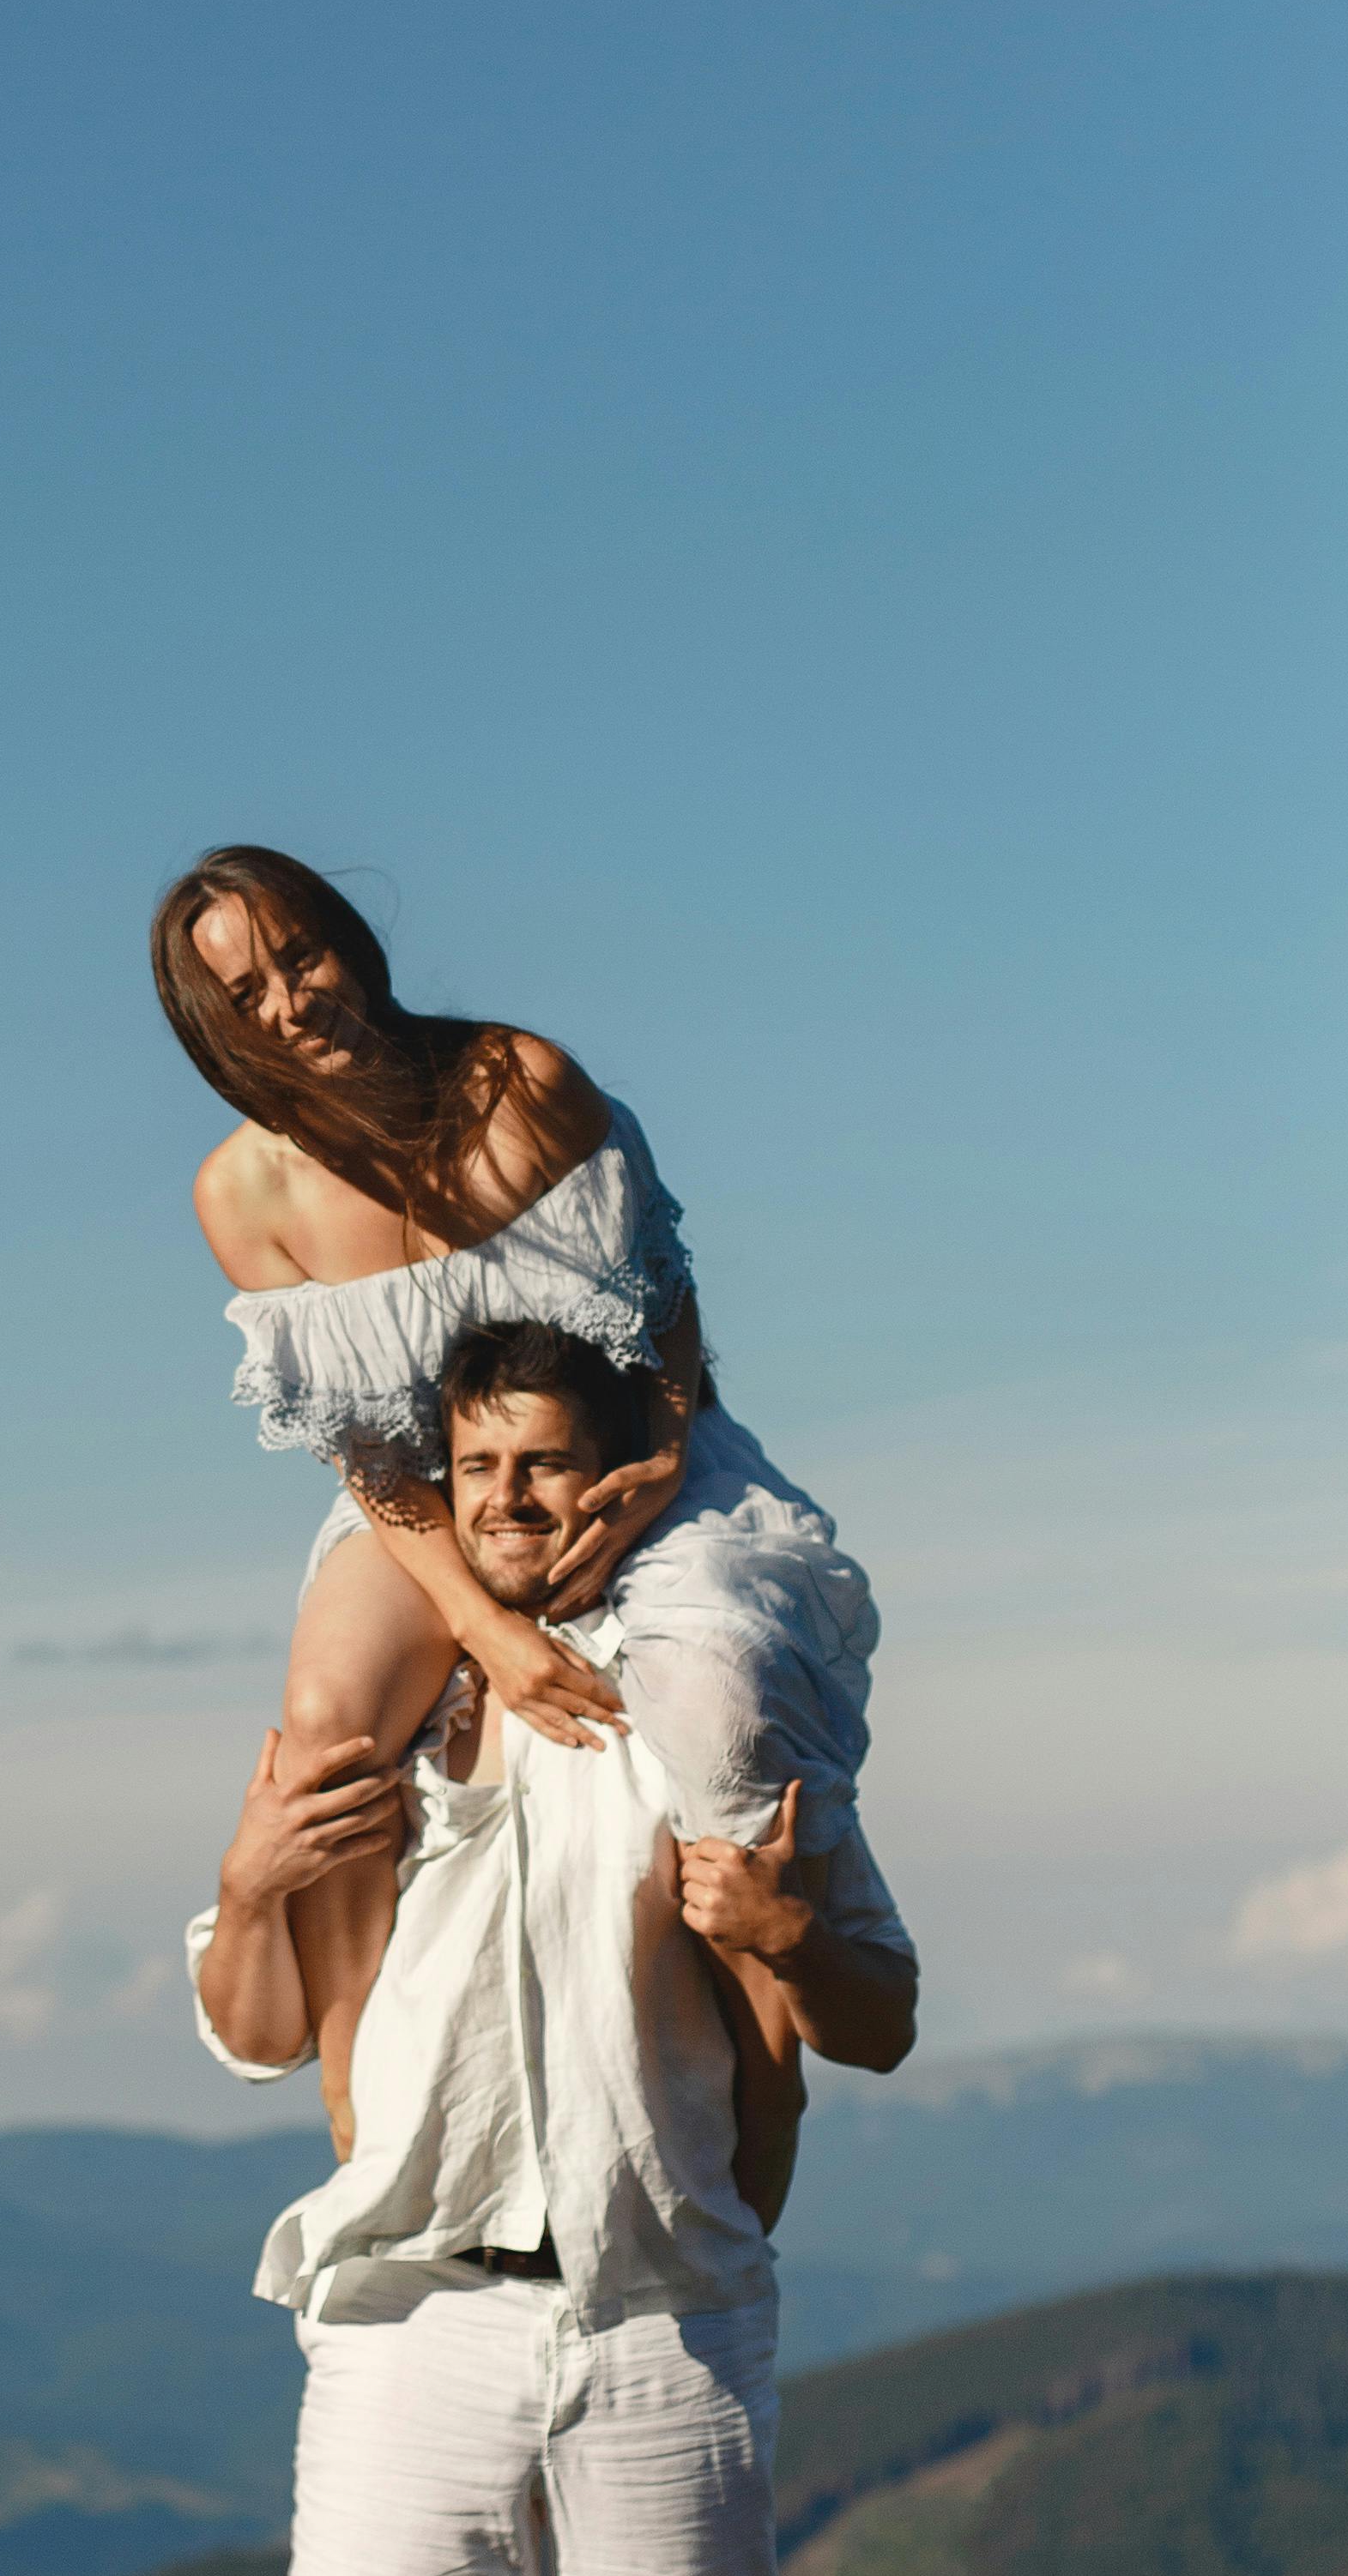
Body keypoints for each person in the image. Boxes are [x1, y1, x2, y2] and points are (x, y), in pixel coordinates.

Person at [186, 1317, 918, 2576]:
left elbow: (884, 2012)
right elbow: (254, 2033)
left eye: (543, 1470)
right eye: (475, 1471)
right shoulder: (380, 1705)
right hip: (409, 2320)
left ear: (625, 1480)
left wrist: (783, 1928)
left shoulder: (708, 1712)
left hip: (663, 2312)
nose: (508, 1507)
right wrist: (253, 1880)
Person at [152, 844, 899, 2157]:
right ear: (212, 1025)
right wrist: (484, 1628)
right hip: (427, 1496)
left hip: (634, 1447)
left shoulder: (521, 1085)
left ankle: (767, 2053)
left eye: (303, 957)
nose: (290, 1003)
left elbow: (661, 1300)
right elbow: (366, 1452)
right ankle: (349, 2082)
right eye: (246, 992)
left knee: (719, 1701)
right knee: (327, 1722)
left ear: (351, 944)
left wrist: (660, 1458)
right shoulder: (243, 1195)